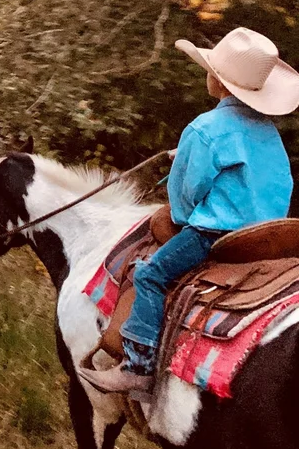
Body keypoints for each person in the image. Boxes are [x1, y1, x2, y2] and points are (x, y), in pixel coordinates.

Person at [80, 27, 299, 395]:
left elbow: (184, 197)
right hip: (269, 236)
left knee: (150, 275)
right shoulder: (269, 132)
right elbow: (281, 183)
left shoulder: (205, 129)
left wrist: (184, 212)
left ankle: (138, 363)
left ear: (219, 82)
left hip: (217, 236)